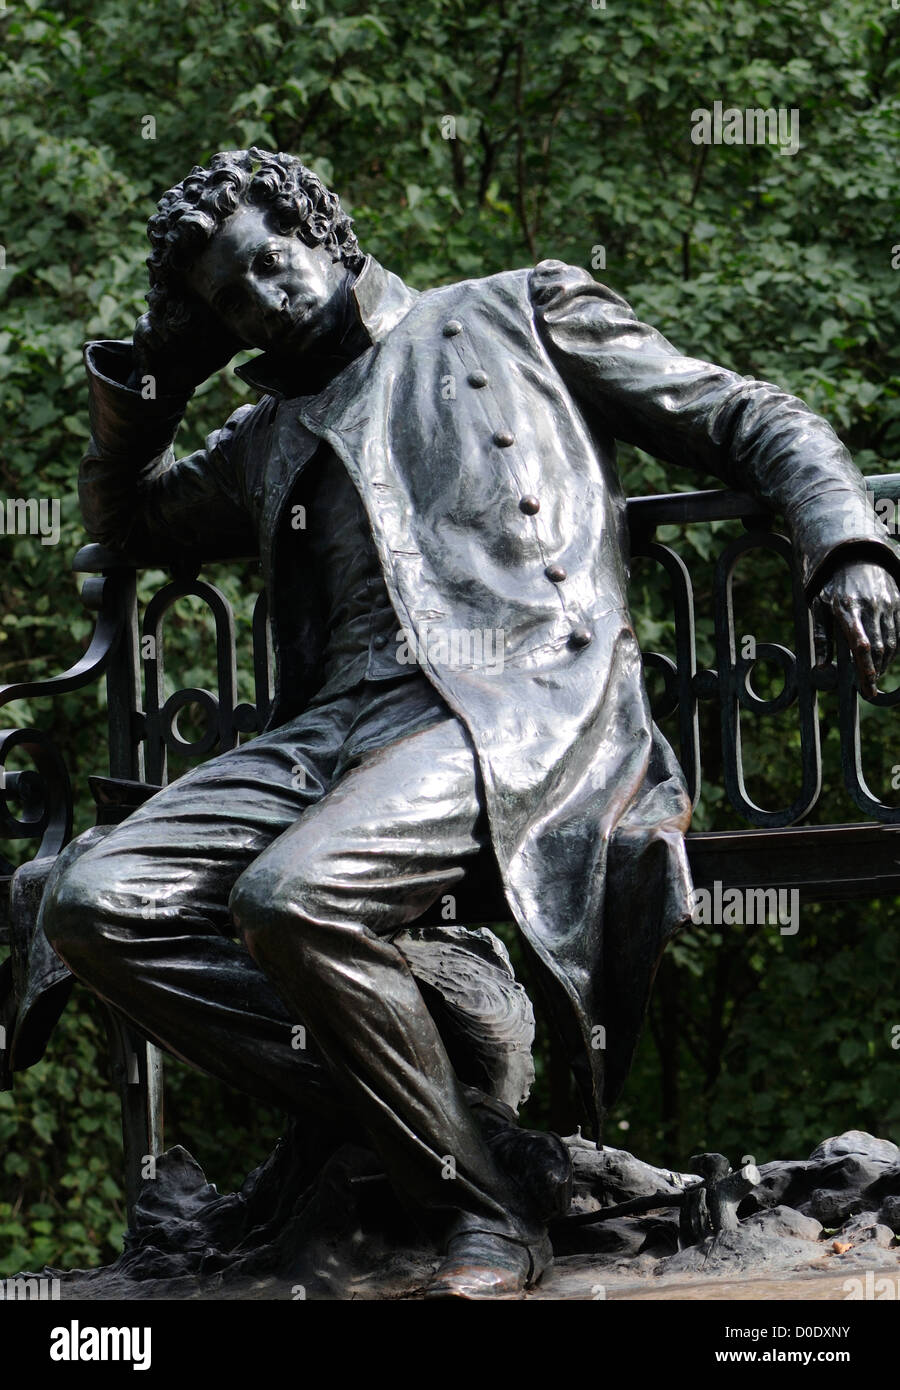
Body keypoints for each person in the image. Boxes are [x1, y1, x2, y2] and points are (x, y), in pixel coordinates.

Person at [40, 147, 900, 1299]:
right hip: (326, 734)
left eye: (269, 258)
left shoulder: (517, 310)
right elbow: (124, 524)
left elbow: (739, 412)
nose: (264, 295)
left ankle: (477, 1201)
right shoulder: (262, 432)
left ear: (322, 228)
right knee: (91, 903)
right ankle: (461, 1127)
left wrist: (844, 541)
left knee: (292, 898)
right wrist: (151, 374)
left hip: (508, 706)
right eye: (229, 297)